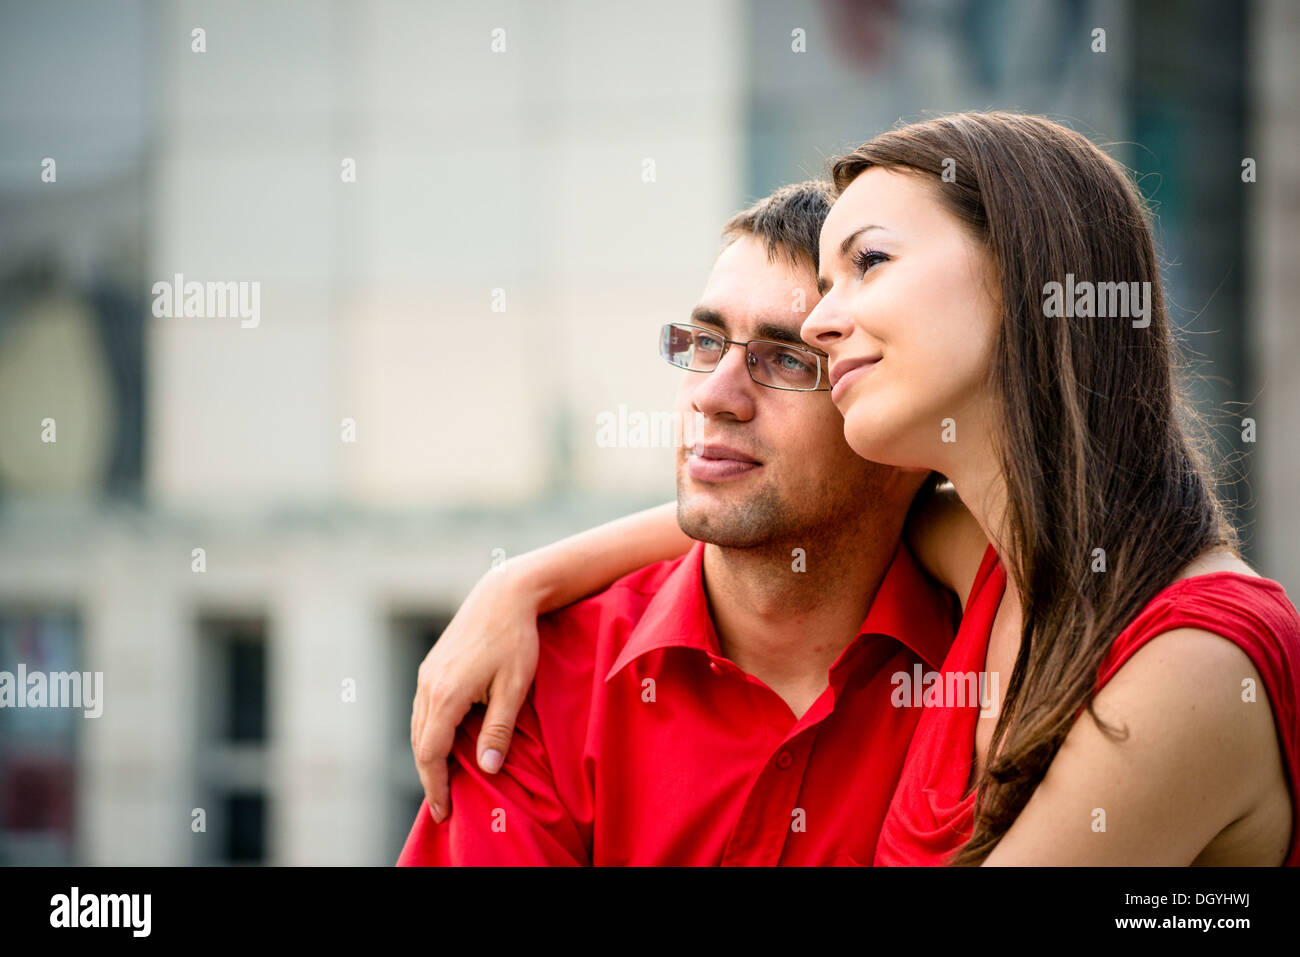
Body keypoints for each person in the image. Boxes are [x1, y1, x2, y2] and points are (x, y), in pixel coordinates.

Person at [411, 112, 1300, 866]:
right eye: (705, 342)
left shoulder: (1184, 662)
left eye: (868, 265)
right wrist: (523, 578)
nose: (830, 323)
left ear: (1027, 282)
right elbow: (776, 511)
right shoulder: (991, 556)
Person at [397, 182, 959, 865]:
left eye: (786, 359)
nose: (712, 396)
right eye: (705, 342)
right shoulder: (537, 686)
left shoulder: (993, 673)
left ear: (893, 424)